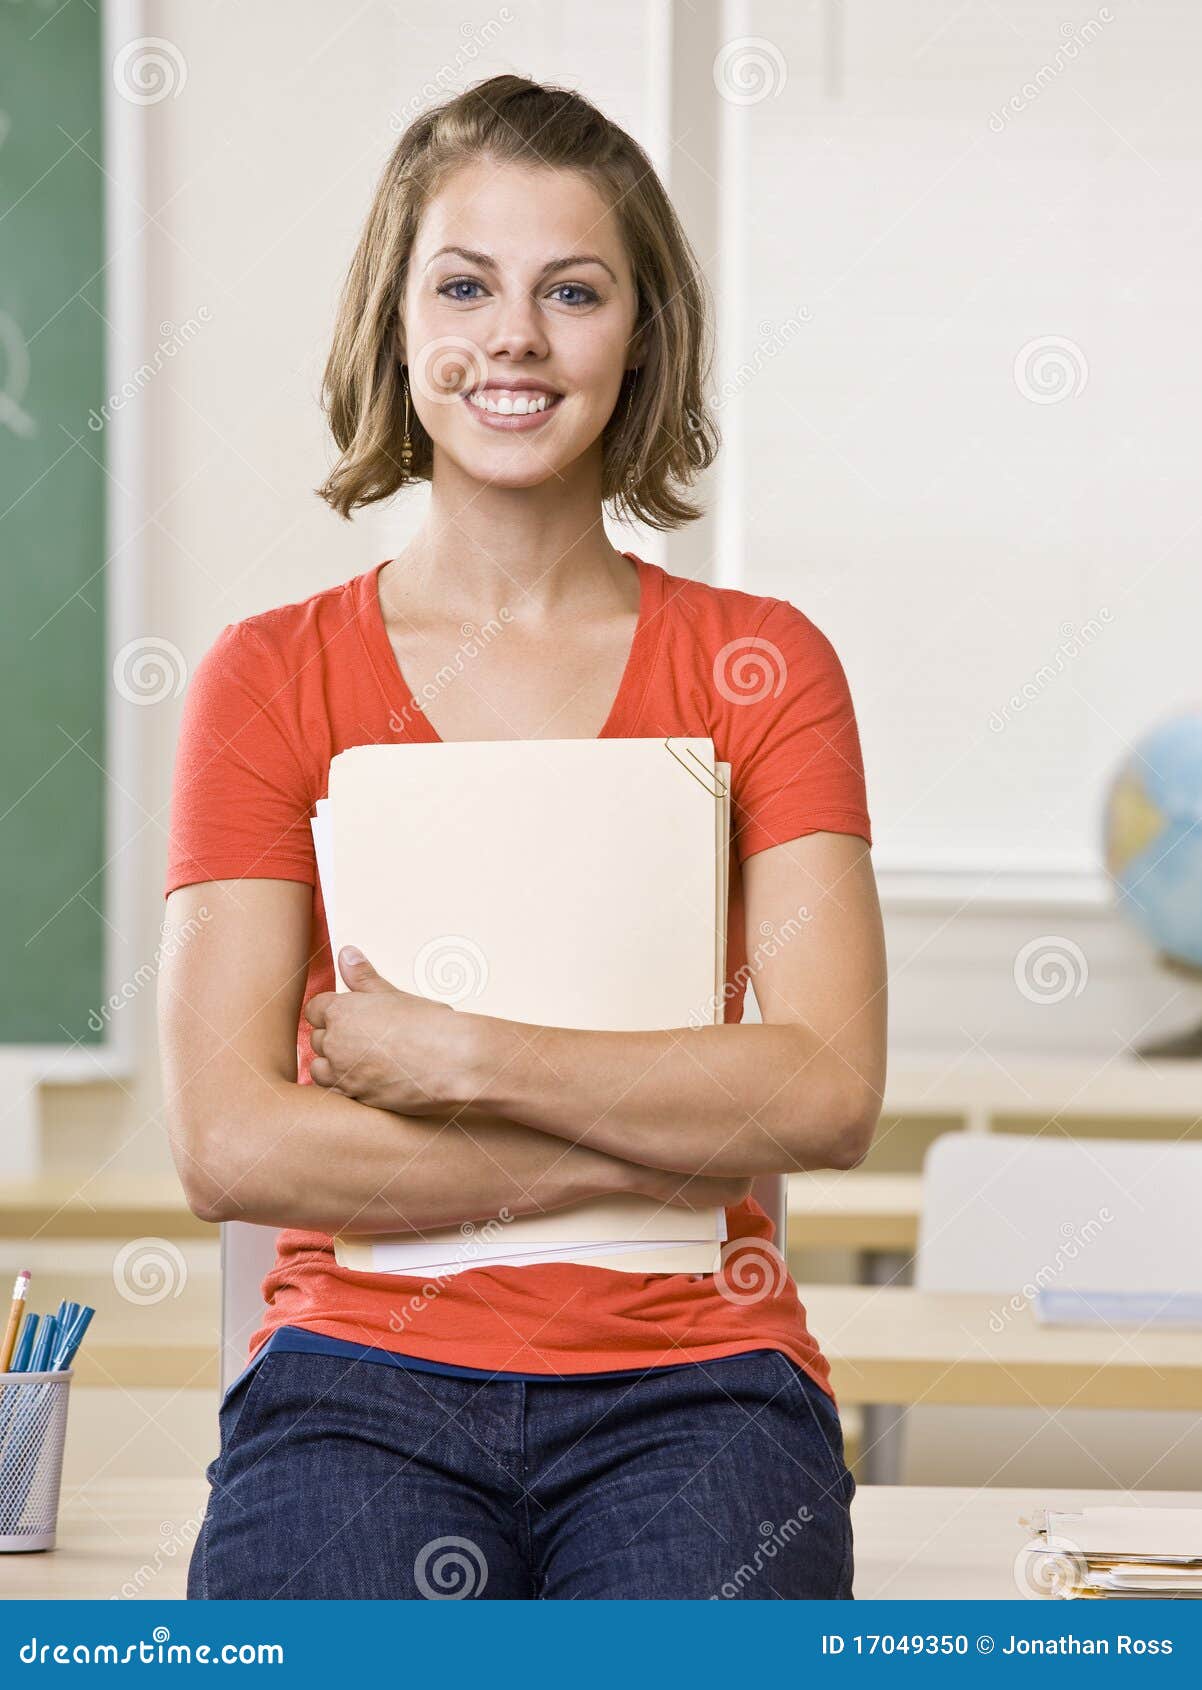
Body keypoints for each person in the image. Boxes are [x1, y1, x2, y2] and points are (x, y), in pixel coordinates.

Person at [159, 72, 887, 1601]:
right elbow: (228, 1140)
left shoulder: (764, 664)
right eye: (465, 284)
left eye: (573, 290)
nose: (514, 337)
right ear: (399, 323)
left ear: (641, 334)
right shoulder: (268, 674)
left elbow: (821, 1092)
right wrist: (636, 1146)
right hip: (353, 1380)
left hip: (698, 1388)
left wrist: (458, 1059)